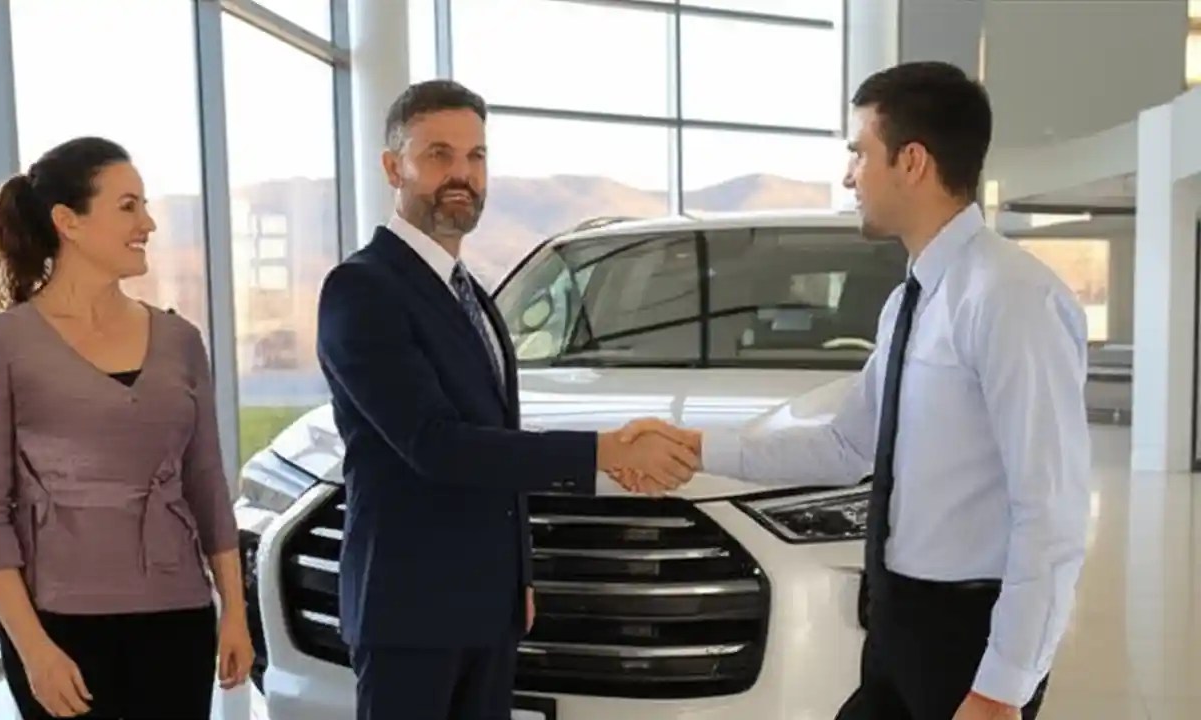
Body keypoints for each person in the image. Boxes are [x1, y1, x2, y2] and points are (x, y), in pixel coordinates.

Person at [619, 61, 1090, 720]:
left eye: (859, 153)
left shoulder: (1012, 299)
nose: (848, 176)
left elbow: (1052, 512)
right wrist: (694, 447)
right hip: (900, 625)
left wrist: (1001, 689)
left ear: (913, 161)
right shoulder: (909, 302)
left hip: (968, 637)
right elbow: (847, 444)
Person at [315, 79, 699, 720]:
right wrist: (605, 451)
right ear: (393, 166)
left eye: (476, 156)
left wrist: (515, 576)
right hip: (409, 611)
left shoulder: (471, 294)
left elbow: (496, 431)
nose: (461, 174)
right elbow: (435, 445)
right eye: (438, 154)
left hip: (486, 609)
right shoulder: (362, 290)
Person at [0, 136, 254, 719]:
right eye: (128, 206)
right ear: (68, 221)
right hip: (59, 628)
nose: (149, 222)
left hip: (178, 619)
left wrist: (233, 610)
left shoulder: (181, 341)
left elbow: (208, 485)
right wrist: (34, 649)